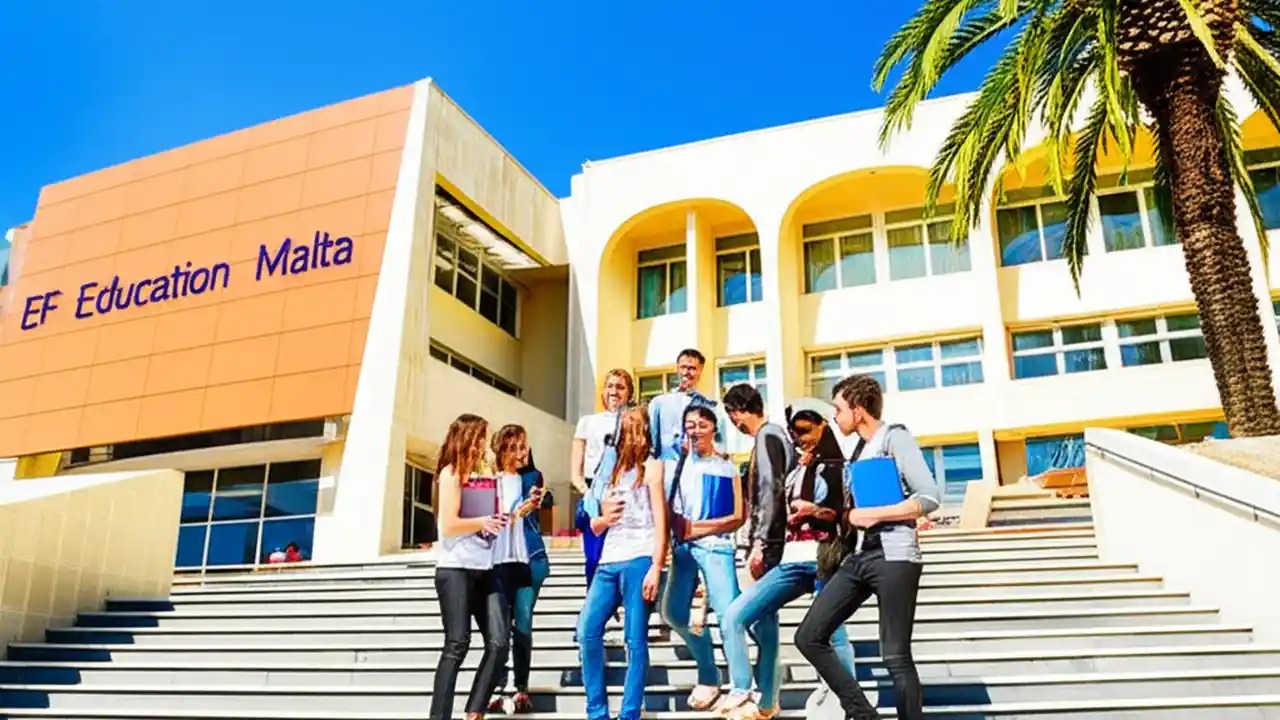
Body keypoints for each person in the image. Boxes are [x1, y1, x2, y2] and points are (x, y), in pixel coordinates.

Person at [795, 375, 940, 720]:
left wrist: (870, 515)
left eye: (839, 409)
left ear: (859, 411)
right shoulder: (858, 451)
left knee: (895, 657)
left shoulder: (895, 437)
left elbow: (930, 498)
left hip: (895, 556)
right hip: (861, 556)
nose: (835, 416)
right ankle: (862, 713)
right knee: (809, 636)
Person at [716, 391, 857, 719]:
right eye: (796, 431)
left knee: (832, 630)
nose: (799, 437)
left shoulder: (834, 465)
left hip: (823, 555)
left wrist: (766, 540)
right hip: (792, 557)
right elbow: (777, 498)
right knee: (735, 616)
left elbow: (838, 511)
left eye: (806, 430)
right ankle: (746, 690)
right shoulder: (797, 467)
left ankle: (846, 696)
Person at [576, 407, 668, 720]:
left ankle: (629, 713)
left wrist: (656, 565)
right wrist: (602, 518)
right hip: (608, 559)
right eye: (627, 427)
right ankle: (596, 711)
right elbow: (595, 525)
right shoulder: (610, 470)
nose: (633, 433)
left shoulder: (653, 468)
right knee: (587, 630)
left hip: (639, 557)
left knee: (635, 638)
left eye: (638, 427)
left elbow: (660, 522)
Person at [660, 404, 747, 711]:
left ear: (713, 428)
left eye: (700, 424)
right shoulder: (675, 466)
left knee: (729, 614)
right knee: (672, 612)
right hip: (683, 551)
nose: (694, 430)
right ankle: (709, 670)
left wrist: (696, 529)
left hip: (715, 548)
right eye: (689, 425)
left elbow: (737, 516)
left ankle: (741, 685)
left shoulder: (726, 467)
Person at [429, 414, 510, 720]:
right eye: (477, 438)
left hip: (485, 568)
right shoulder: (450, 474)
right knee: (457, 643)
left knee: (500, 642)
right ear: (463, 439)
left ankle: (474, 711)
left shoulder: (482, 477)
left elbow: (481, 523)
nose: (481, 445)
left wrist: (497, 521)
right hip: (455, 569)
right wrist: (482, 521)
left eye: (483, 439)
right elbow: (448, 525)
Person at [572, 368, 635, 644]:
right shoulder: (588, 422)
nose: (614, 392)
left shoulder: (634, 421)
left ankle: (625, 618)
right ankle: (595, 621)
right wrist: (588, 494)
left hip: (624, 495)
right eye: (610, 386)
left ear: (629, 393)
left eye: (621, 387)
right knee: (595, 561)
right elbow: (576, 468)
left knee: (626, 561)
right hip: (594, 495)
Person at [487, 426, 545, 714]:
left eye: (524, 446)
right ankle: (497, 689)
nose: (521, 453)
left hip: (527, 561)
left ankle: (520, 687)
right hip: (495, 563)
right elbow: (486, 521)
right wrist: (515, 513)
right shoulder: (488, 481)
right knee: (497, 630)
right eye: (513, 447)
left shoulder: (532, 478)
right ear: (501, 450)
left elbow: (535, 504)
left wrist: (532, 503)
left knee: (522, 625)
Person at [648, 348, 717, 466]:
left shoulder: (711, 406)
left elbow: (718, 444)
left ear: (700, 370)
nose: (686, 372)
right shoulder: (659, 403)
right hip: (668, 471)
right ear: (677, 368)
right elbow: (651, 444)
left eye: (692, 368)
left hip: (699, 469)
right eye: (683, 367)